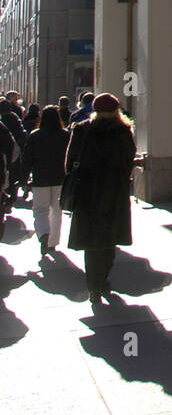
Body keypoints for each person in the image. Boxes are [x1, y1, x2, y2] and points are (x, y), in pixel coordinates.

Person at [65, 92, 137, 306]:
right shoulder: (123, 131)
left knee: (90, 243)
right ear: (117, 110)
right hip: (114, 195)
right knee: (109, 242)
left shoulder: (82, 130)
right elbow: (128, 162)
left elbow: (70, 163)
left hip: (87, 194)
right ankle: (103, 280)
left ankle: (94, 286)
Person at [23, 105, 68, 255]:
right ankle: (53, 242)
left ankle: (43, 234)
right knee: (57, 210)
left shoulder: (35, 135)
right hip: (60, 178)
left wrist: (24, 178)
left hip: (40, 178)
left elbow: (27, 159)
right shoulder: (65, 135)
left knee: (40, 210)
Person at [0, 95, 28, 203]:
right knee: (12, 177)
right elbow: (22, 134)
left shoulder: (2, 121)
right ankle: (10, 199)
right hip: (13, 152)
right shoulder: (15, 118)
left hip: (4, 154)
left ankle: (5, 199)